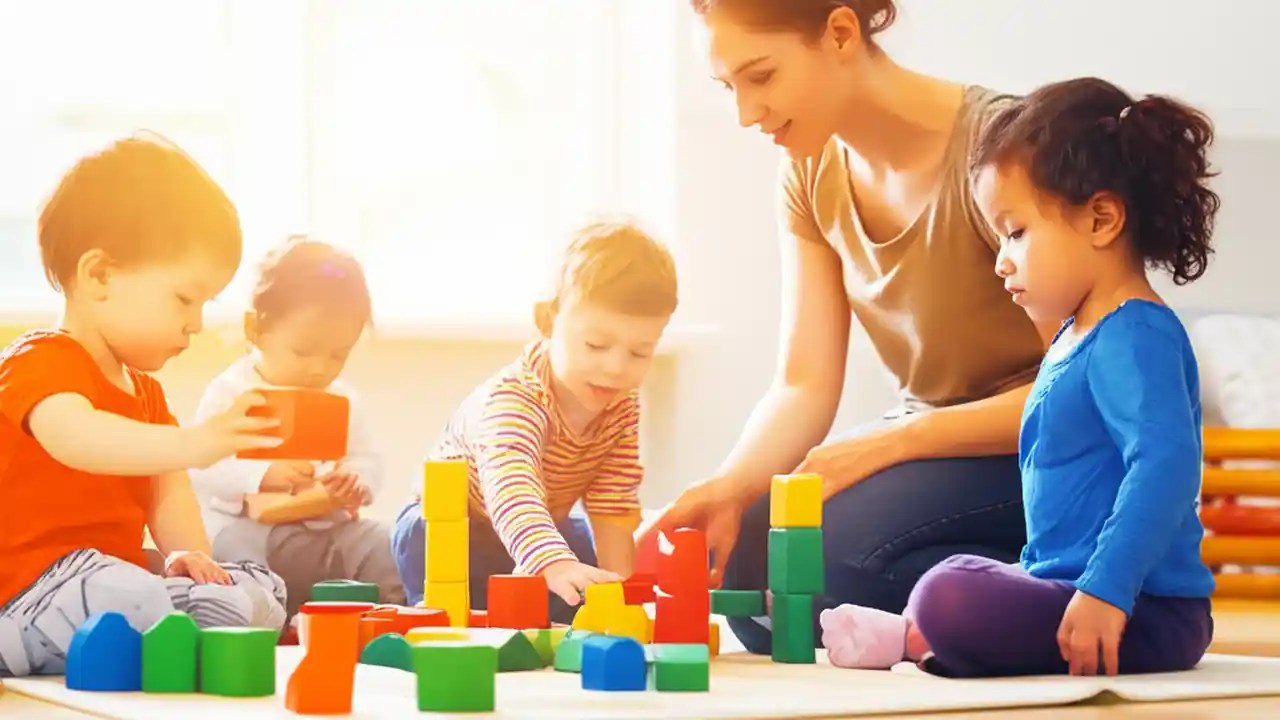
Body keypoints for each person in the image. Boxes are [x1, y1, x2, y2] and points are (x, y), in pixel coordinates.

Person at [647, 0, 1053, 653]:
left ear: (840, 33)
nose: (746, 113)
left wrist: (890, 445)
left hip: (1042, 449)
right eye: (729, 88)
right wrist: (732, 486)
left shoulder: (1003, 147)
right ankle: (981, 596)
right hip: (930, 443)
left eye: (762, 76)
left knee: (827, 571)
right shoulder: (809, 172)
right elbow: (803, 383)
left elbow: (1077, 388)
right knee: (755, 560)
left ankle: (1082, 578)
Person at [819, 76, 1220, 678]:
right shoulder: (1073, 336)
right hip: (1064, 584)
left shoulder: (1135, 334)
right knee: (953, 576)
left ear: (1102, 219)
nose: (1001, 258)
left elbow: (1165, 465)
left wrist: (1107, 590)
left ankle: (915, 633)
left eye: (1016, 232)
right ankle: (920, 632)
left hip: (1145, 608)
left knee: (948, 596)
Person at [0, 136, 288, 677]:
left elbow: (167, 488)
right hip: (26, 592)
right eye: (184, 298)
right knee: (118, 588)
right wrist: (200, 442)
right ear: (100, 276)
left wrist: (193, 559)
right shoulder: (36, 362)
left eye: (205, 304)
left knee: (256, 586)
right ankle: (163, 627)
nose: (196, 323)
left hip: (112, 583)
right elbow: (79, 438)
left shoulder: (145, 394)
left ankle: (177, 622)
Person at [391, 220, 678, 623]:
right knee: (444, 566)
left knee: (579, 545)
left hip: (539, 525)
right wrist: (551, 560)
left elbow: (613, 503)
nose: (616, 368)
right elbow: (512, 488)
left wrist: (619, 595)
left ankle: (544, 585)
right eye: (596, 345)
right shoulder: (515, 399)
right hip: (454, 527)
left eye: (640, 353)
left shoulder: (621, 406)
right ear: (547, 321)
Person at [189, 237, 404, 617]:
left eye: (338, 354)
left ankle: (392, 614)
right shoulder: (233, 390)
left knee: (384, 541)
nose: (320, 368)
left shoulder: (344, 399)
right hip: (249, 530)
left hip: (326, 531)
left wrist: (355, 480)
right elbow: (203, 465)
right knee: (233, 554)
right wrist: (263, 474)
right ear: (255, 329)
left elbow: (368, 458)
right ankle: (257, 615)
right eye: (303, 351)